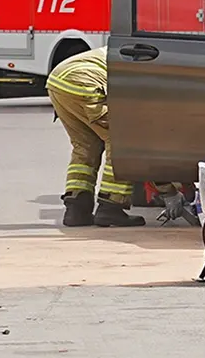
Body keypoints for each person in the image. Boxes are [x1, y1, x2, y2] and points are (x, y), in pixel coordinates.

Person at [48, 47, 145, 228]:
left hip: (57, 81)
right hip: (84, 82)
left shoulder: (126, 50)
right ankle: (111, 207)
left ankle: (76, 209)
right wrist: (168, 191)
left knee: (85, 146)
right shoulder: (152, 64)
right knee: (122, 142)